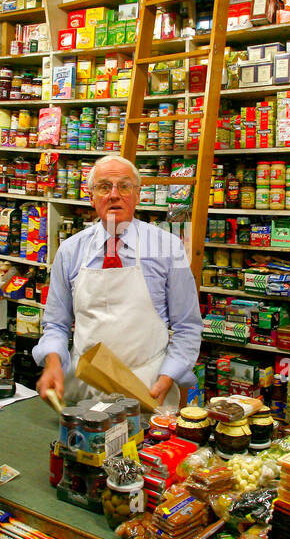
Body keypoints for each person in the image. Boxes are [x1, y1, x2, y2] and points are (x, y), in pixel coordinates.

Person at [33, 154, 202, 411]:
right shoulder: (70, 251)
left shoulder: (168, 247)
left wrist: (168, 377)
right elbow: (56, 323)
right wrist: (53, 362)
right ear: (91, 197)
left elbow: (187, 326)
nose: (114, 195)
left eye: (124, 186)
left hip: (148, 387)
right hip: (84, 391)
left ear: (137, 195)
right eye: (103, 187)